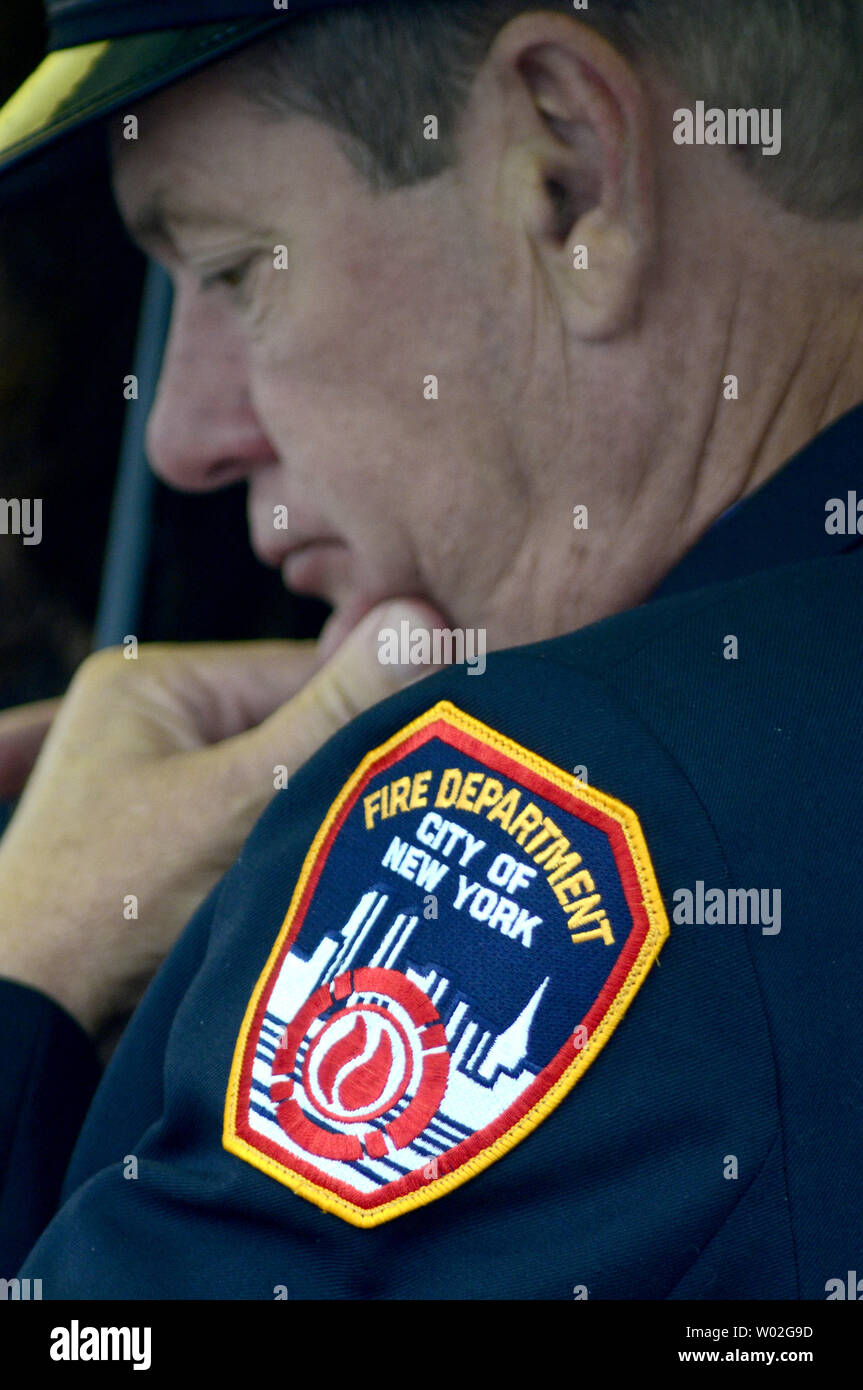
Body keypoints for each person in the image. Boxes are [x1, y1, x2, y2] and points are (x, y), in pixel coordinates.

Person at [0, 0, 861, 1300]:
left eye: (233, 272)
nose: (180, 436)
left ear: (571, 175)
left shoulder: (545, 797)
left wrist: (39, 949)